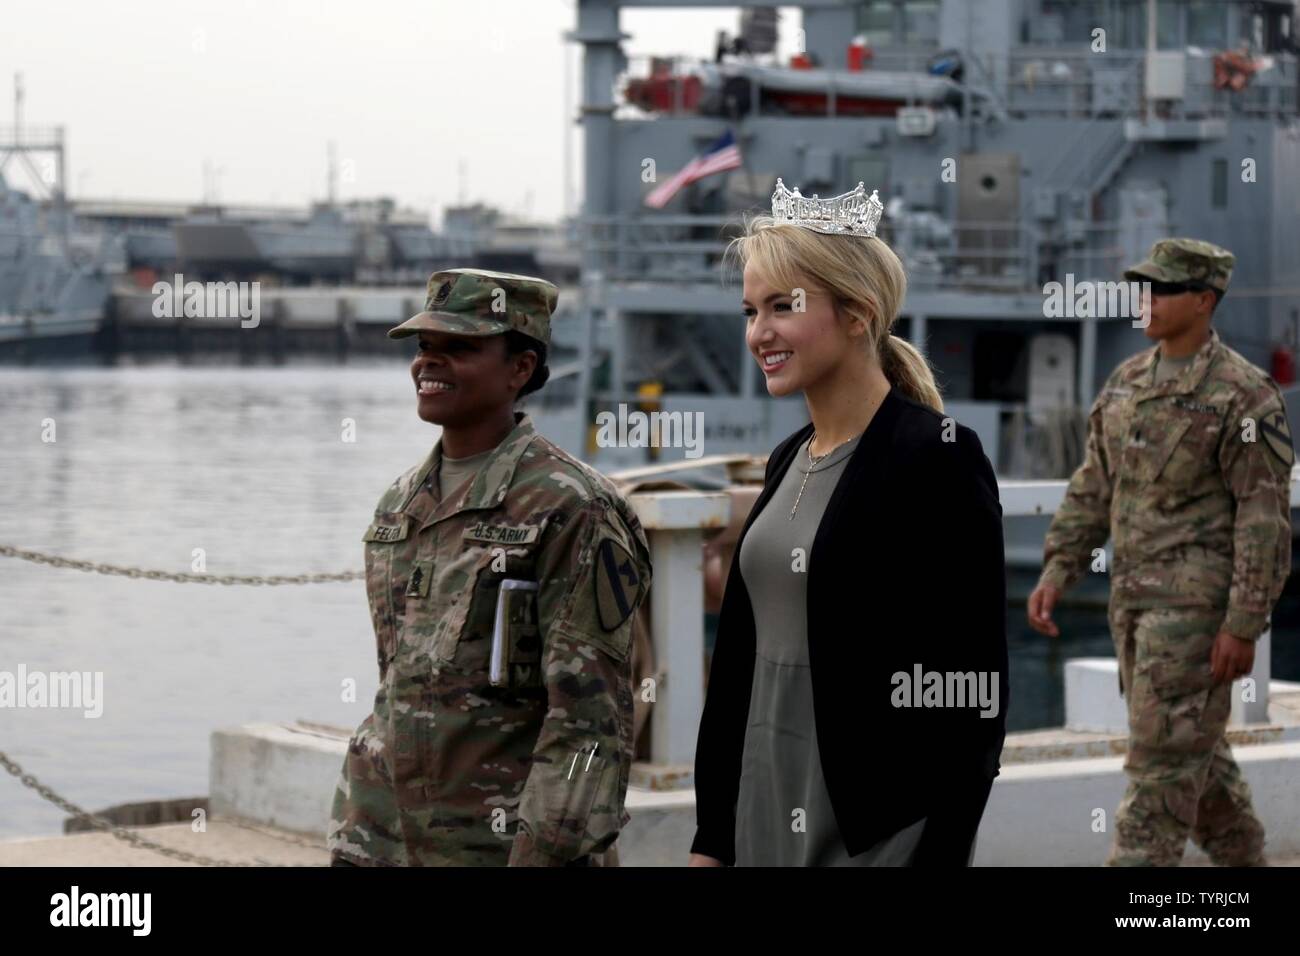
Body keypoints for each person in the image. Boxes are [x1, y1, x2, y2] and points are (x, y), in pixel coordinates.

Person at [689, 182, 1009, 867]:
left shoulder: (935, 456)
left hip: (873, 833)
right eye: (751, 311)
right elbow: (740, 663)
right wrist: (712, 837)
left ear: (857, 313)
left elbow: (974, 692)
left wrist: (935, 851)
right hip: (761, 812)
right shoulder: (787, 461)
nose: (758, 333)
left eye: (783, 307)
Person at [327, 268, 652, 866]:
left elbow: (588, 723)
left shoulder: (571, 507)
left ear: (520, 369)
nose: (430, 363)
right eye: (426, 347)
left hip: (498, 846)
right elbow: (399, 681)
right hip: (380, 836)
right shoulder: (400, 504)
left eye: (460, 348)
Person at [1027, 238, 1292, 867]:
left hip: (1194, 617)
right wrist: (1060, 567)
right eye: (1143, 286)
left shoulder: (1242, 395)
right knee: (1192, 759)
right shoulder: (1127, 384)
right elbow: (1094, 483)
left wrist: (1242, 622)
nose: (1146, 298)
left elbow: (1263, 518)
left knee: (1159, 771)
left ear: (1204, 300)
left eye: (1163, 288)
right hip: (1133, 609)